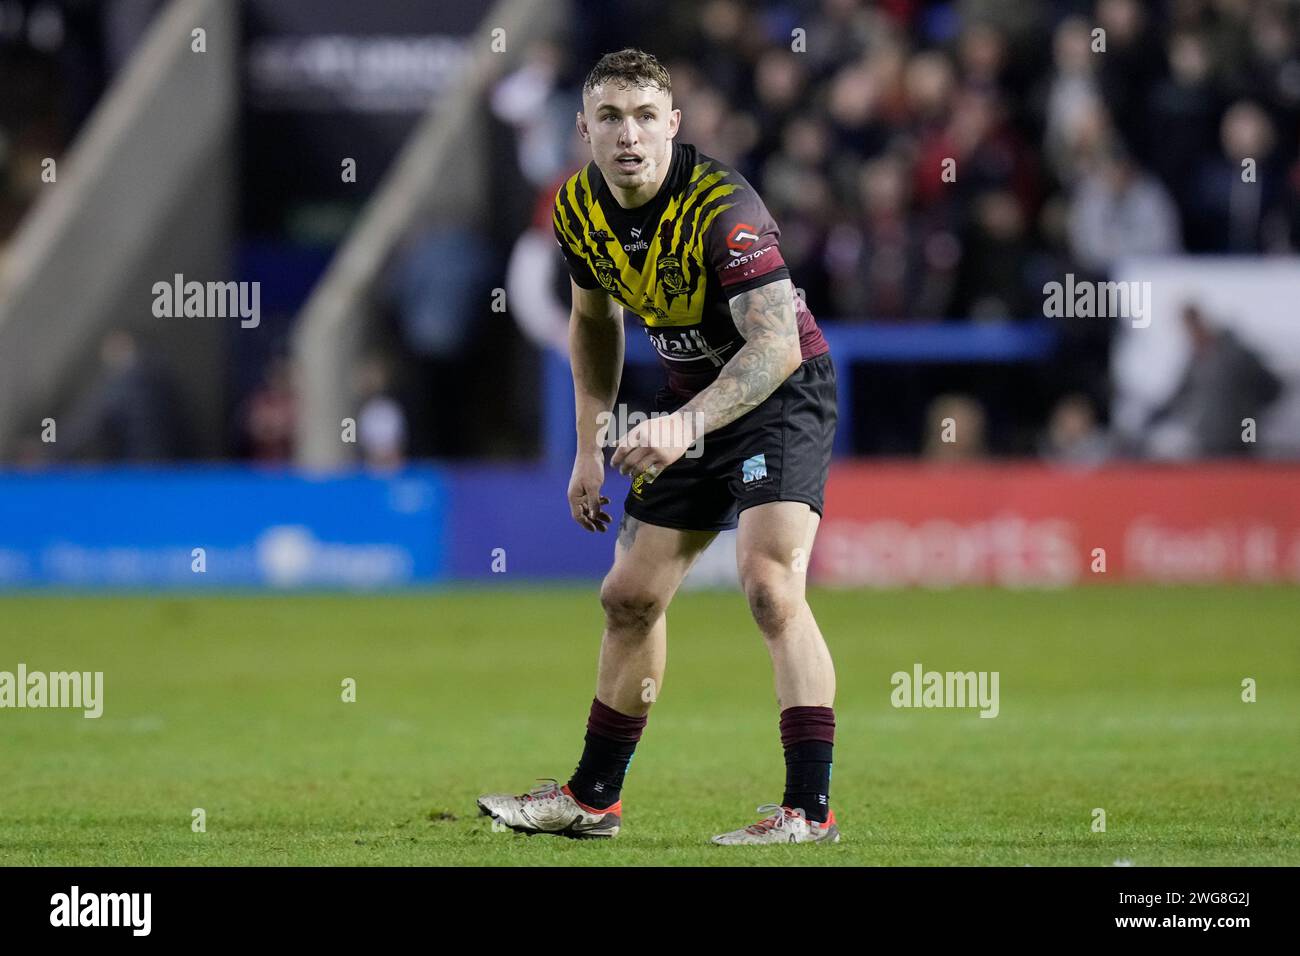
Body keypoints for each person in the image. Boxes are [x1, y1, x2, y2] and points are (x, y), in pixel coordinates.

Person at [477, 49, 840, 845]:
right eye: (609, 117)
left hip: (779, 395)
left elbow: (776, 345)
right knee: (628, 597)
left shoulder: (722, 205)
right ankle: (591, 800)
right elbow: (595, 321)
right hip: (690, 402)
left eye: (646, 116)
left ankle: (808, 813)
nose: (629, 134)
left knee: (770, 585)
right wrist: (586, 446)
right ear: (583, 130)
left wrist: (683, 425)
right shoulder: (576, 211)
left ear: (674, 125)